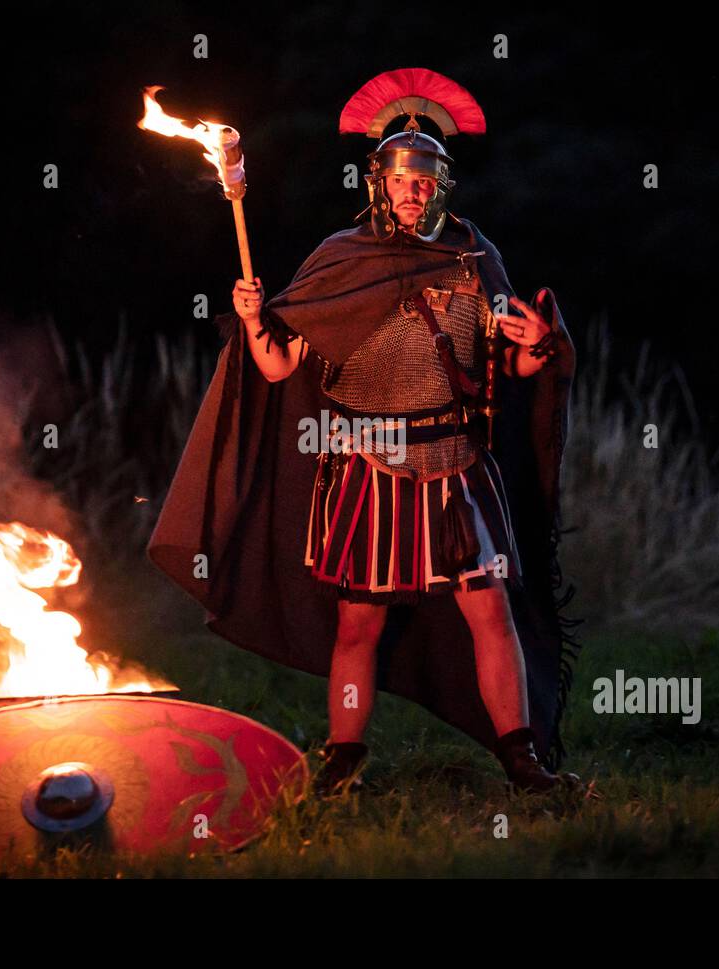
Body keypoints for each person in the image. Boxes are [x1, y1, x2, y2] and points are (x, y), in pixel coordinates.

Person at [148, 68, 592, 799]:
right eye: (402, 178)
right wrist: (256, 317)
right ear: (378, 181)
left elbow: (510, 361)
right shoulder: (340, 258)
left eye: (426, 179)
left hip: (456, 462)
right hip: (370, 466)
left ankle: (522, 760)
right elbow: (277, 361)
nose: (413, 191)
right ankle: (343, 760)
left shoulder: (476, 255)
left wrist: (539, 342)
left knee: (491, 610)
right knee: (359, 627)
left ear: (442, 184)